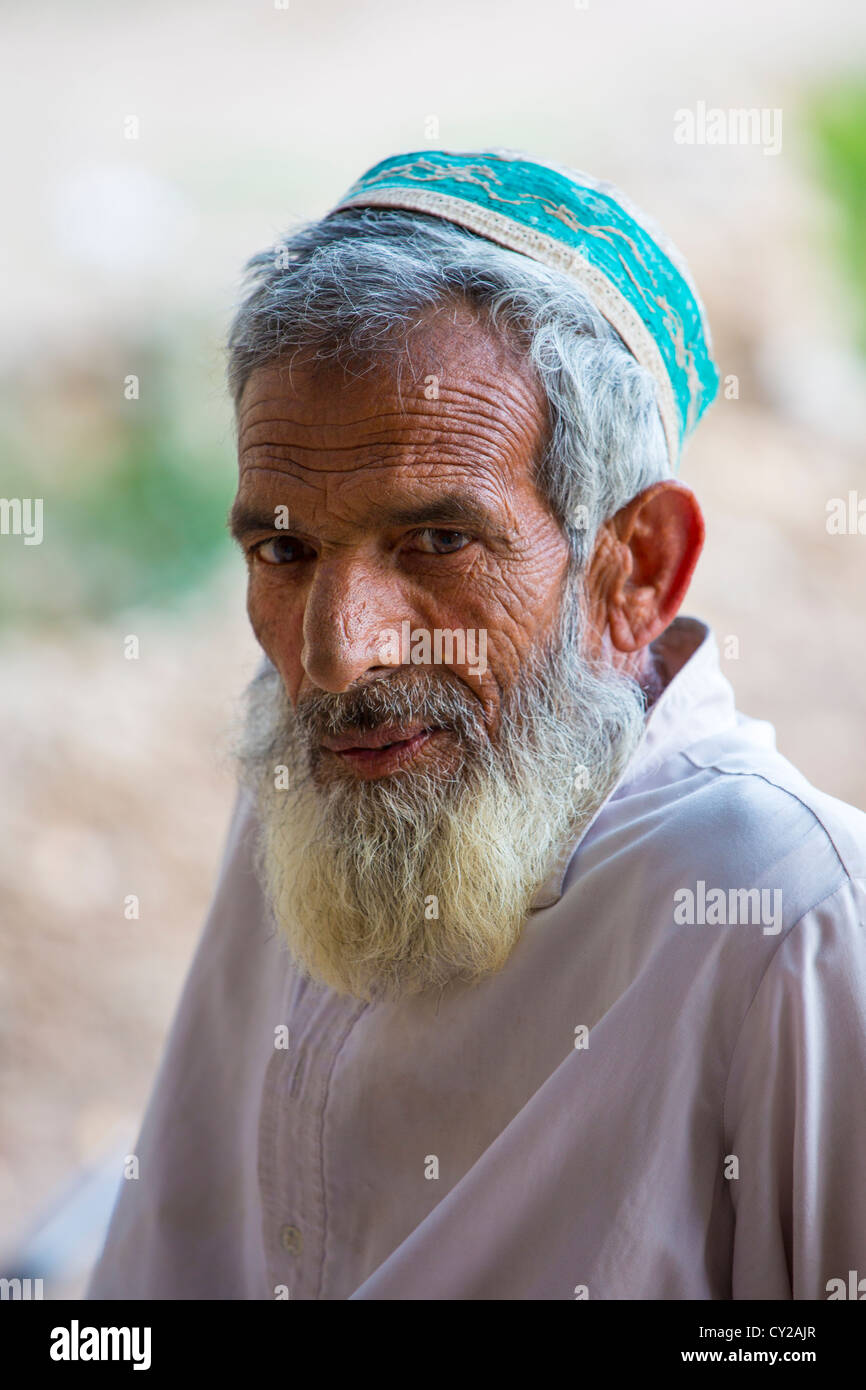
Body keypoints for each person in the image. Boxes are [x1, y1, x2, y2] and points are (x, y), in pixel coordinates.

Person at [86, 148, 866, 1300]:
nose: (338, 653)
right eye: (284, 550)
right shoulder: (313, 782)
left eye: (437, 542)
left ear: (632, 567)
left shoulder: (787, 912)